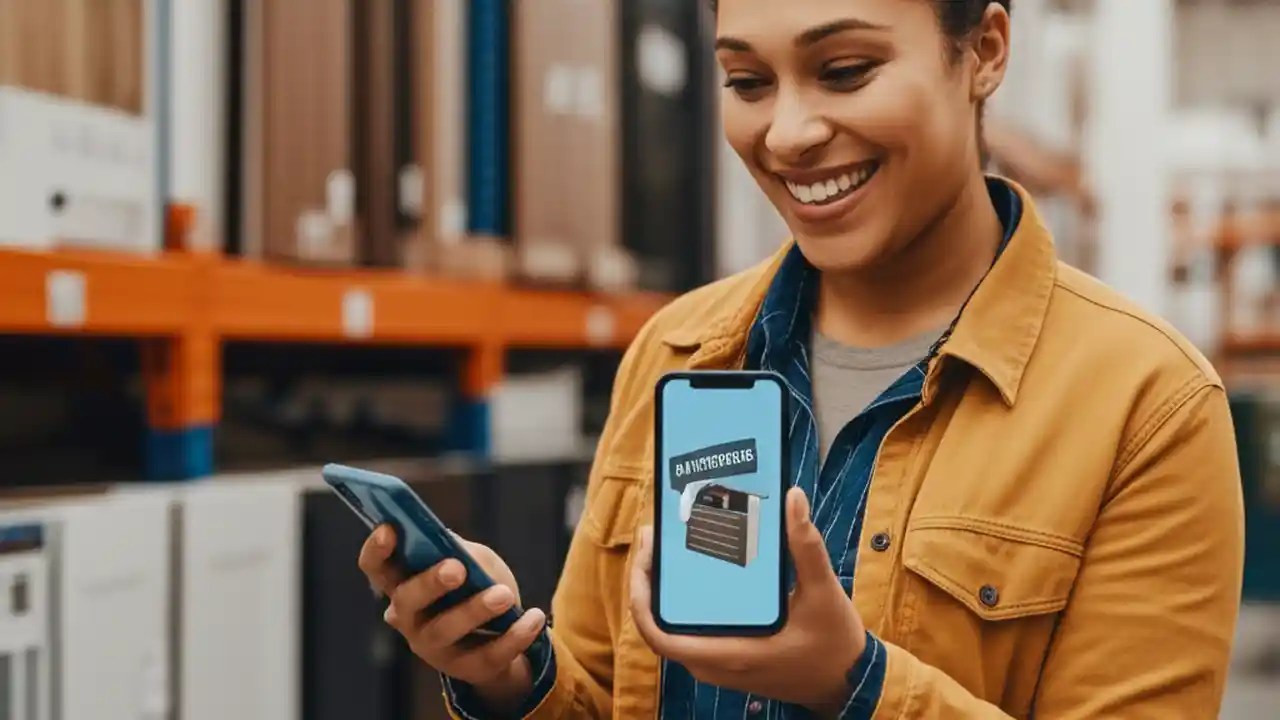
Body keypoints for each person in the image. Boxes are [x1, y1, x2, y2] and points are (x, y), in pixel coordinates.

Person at [360, 0, 1246, 717]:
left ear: (983, 49)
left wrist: (855, 684)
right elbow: (604, 696)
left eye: (845, 71)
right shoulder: (675, 352)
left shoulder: (1147, 404)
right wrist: (508, 677)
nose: (785, 134)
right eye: (746, 80)